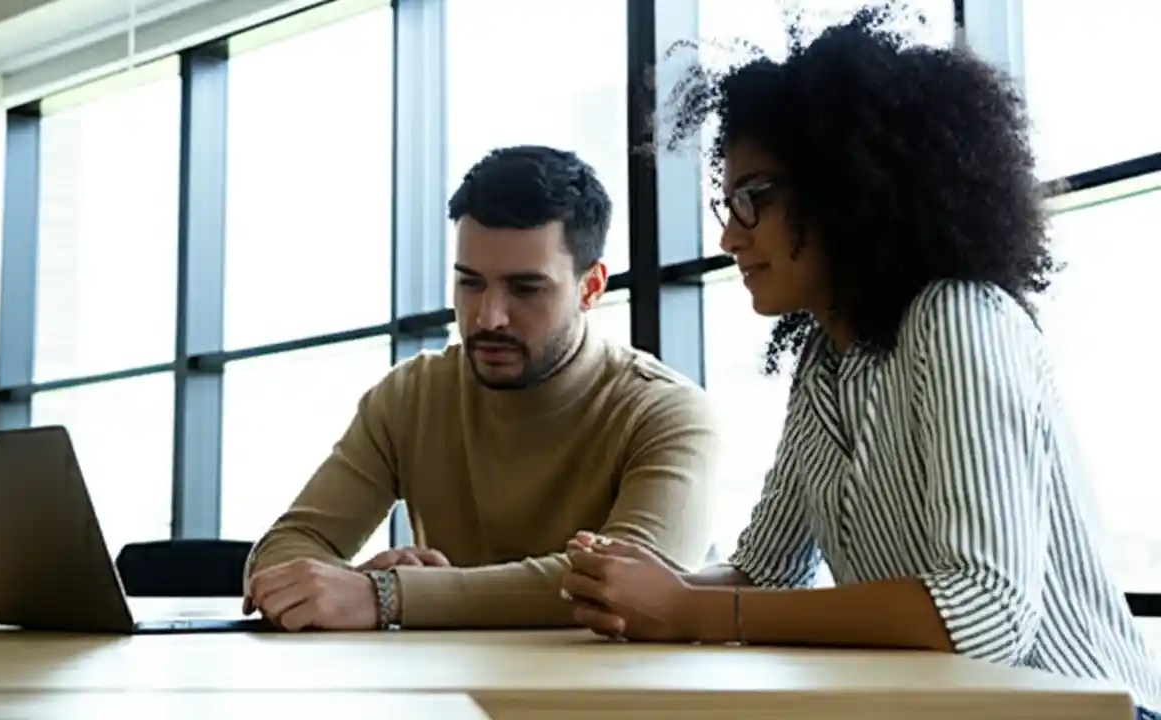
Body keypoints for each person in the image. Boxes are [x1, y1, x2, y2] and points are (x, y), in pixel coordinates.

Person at [559, 6, 1161, 717]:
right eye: (728, 203)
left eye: (753, 199)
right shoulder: (824, 361)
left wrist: (694, 613)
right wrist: (646, 586)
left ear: (847, 187)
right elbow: (767, 572)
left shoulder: (958, 318)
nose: (728, 236)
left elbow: (983, 610)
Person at [243, 145, 719, 632]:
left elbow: (626, 587)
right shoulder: (412, 396)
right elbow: (286, 548)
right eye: (470, 284)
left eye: (526, 289)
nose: (488, 317)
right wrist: (342, 586)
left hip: (616, 701)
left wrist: (392, 596)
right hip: (448, 697)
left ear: (591, 287)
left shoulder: (666, 412)